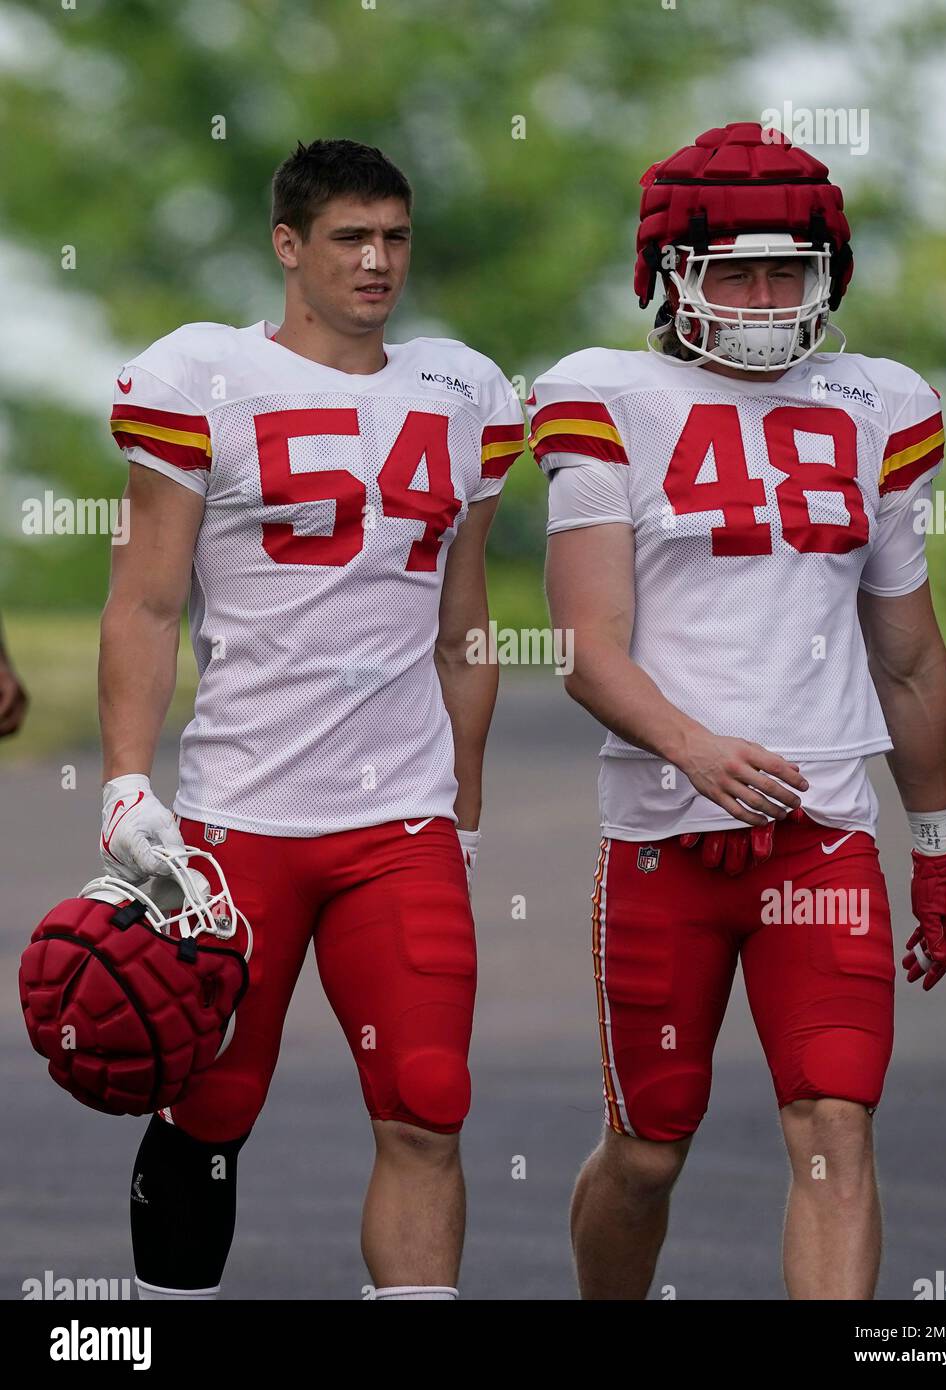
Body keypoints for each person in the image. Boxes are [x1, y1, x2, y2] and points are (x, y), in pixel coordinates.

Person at [531, 122, 946, 1300]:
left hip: (824, 830)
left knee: (835, 1121)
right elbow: (585, 646)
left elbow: (911, 658)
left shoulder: (878, 406)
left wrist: (931, 845)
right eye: (735, 271)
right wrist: (694, 747)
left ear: (828, 273)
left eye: (787, 269)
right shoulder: (606, 397)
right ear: (675, 278)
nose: (766, 297)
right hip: (667, 835)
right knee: (647, 1150)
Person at [101, 138, 524, 1300]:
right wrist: (130, 780)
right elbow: (144, 599)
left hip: (400, 821)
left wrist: (466, 810)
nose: (377, 261)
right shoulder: (204, 377)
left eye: (393, 236)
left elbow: (464, 626)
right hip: (243, 818)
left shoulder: (463, 392)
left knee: (429, 1102)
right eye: (350, 238)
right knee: (213, 1103)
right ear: (288, 246)